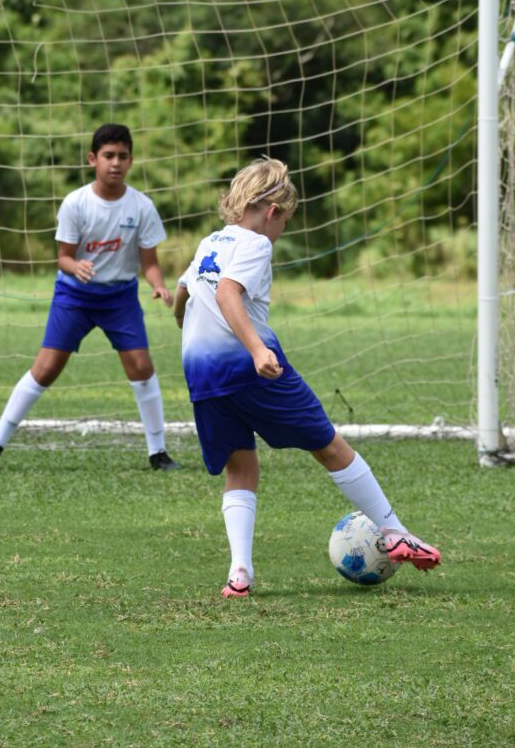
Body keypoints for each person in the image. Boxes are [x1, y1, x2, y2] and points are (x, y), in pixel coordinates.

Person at [173, 157, 441, 598]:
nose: (281, 232)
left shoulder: (210, 241)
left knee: (241, 465)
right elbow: (227, 293)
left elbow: (184, 294)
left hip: (201, 373)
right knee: (329, 445)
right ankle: (393, 532)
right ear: (273, 210)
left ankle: (240, 572)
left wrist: (182, 317)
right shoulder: (257, 243)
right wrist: (257, 349)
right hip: (249, 366)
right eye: (285, 222)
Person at [0, 123, 179, 472]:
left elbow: (150, 263)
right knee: (46, 369)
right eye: (108, 156)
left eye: (122, 156)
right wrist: (75, 266)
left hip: (119, 298)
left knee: (141, 366)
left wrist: (159, 285)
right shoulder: (76, 203)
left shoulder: (141, 206)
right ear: (93, 159)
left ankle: (158, 453)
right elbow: (63, 256)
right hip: (75, 297)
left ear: (131, 161)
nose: (115, 163)